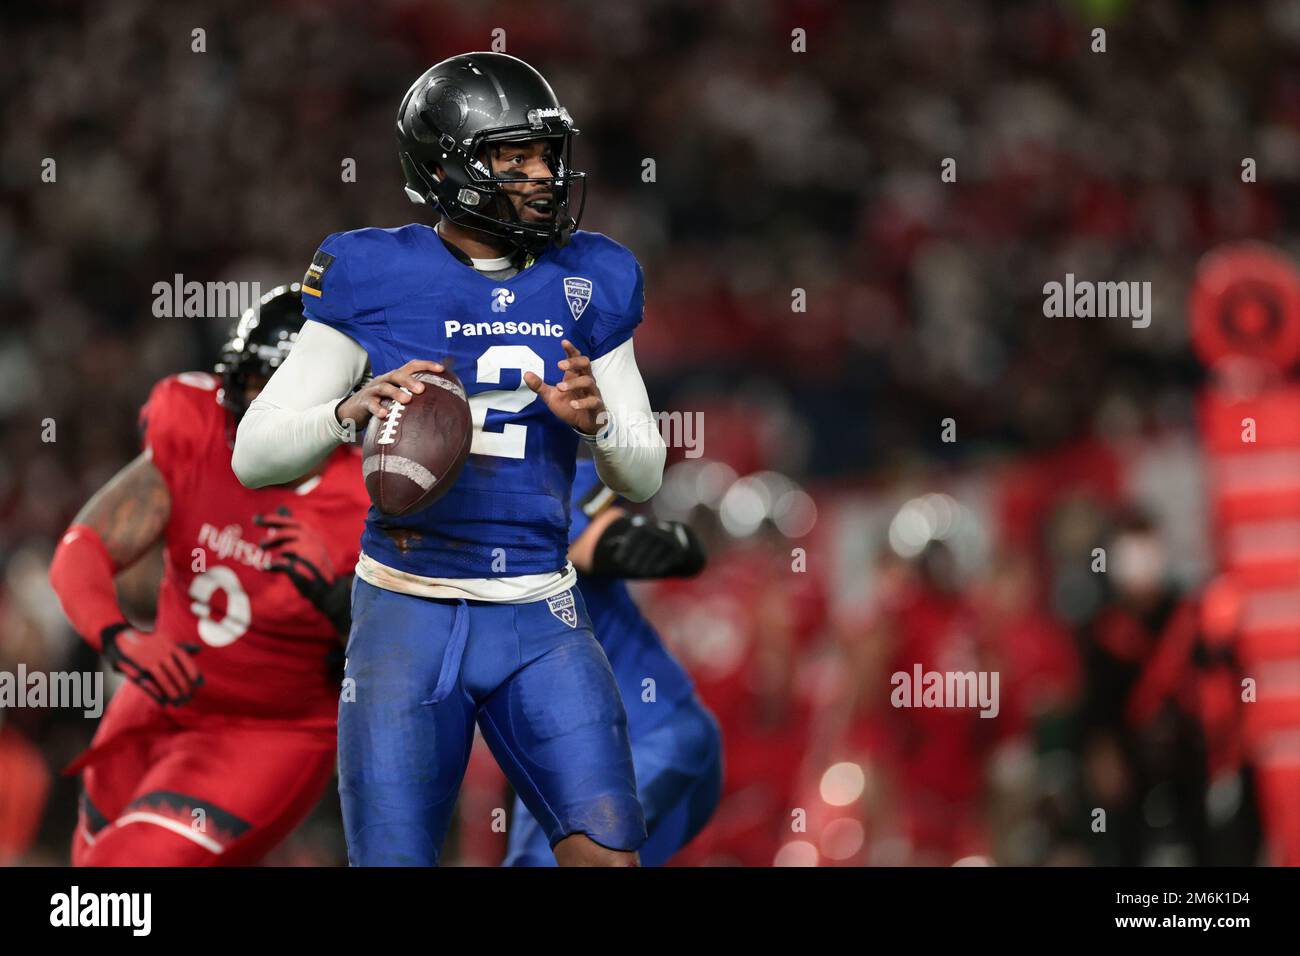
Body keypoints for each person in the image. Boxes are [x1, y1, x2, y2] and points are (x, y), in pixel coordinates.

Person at [232, 52, 666, 866]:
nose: (542, 174)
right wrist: (342, 411)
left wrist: (600, 426)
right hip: (405, 609)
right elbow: (254, 456)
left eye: (546, 153)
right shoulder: (372, 269)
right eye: (514, 156)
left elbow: (642, 475)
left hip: (540, 612)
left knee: (608, 856)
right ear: (446, 168)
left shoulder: (593, 275)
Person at [49, 285, 366, 865]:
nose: (256, 408)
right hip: (157, 701)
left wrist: (343, 600)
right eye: (249, 385)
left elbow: (415, 670)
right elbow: (83, 546)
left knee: (119, 874)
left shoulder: (369, 496)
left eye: (277, 391)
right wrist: (118, 636)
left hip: (265, 735)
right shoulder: (195, 427)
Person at [504, 457, 721, 866]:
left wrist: (632, 541)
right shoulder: (406, 531)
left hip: (649, 734)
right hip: (553, 764)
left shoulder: (535, 478)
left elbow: (591, 538)